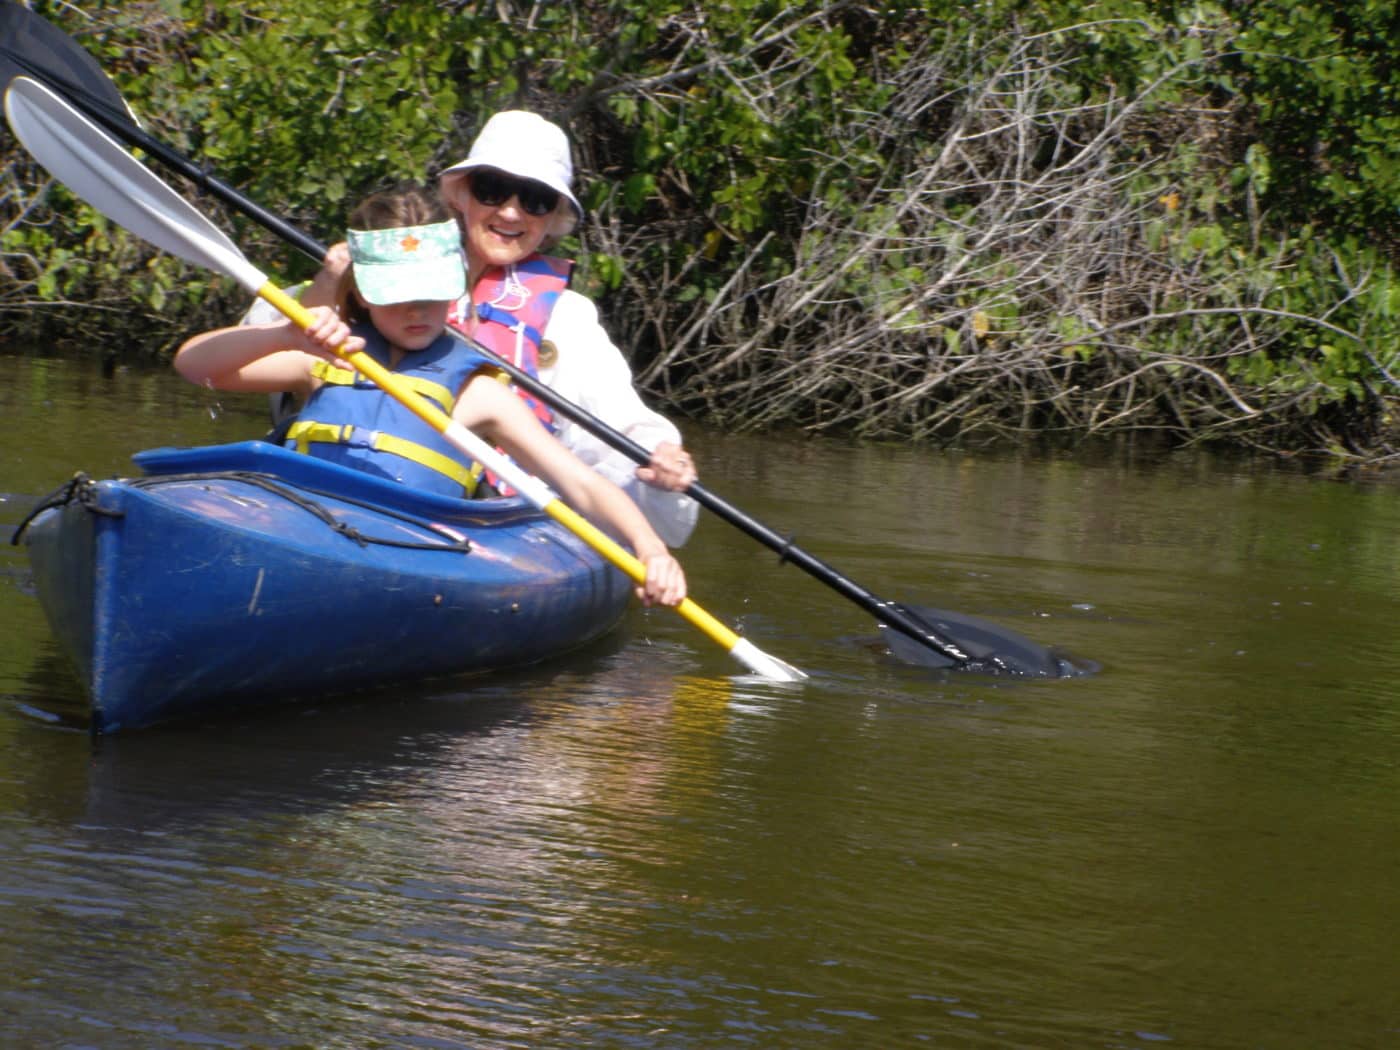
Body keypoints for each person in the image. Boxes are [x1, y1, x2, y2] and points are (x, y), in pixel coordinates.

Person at [176, 187, 686, 608]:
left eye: (432, 290)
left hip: (402, 556)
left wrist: (650, 548)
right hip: (297, 528)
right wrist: (285, 335)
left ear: (455, 288)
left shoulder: (477, 391)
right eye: (396, 294)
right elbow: (195, 365)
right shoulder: (330, 357)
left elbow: (580, 484)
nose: (417, 308)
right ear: (362, 293)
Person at [293, 111, 700, 548]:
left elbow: (621, 421)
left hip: (493, 525)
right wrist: (329, 282)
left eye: (536, 199)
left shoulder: (566, 317)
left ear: (552, 218)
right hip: (357, 486)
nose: (510, 211)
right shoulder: (389, 265)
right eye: (491, 190)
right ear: (462, 195)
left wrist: (659, 454)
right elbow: (279, 341)